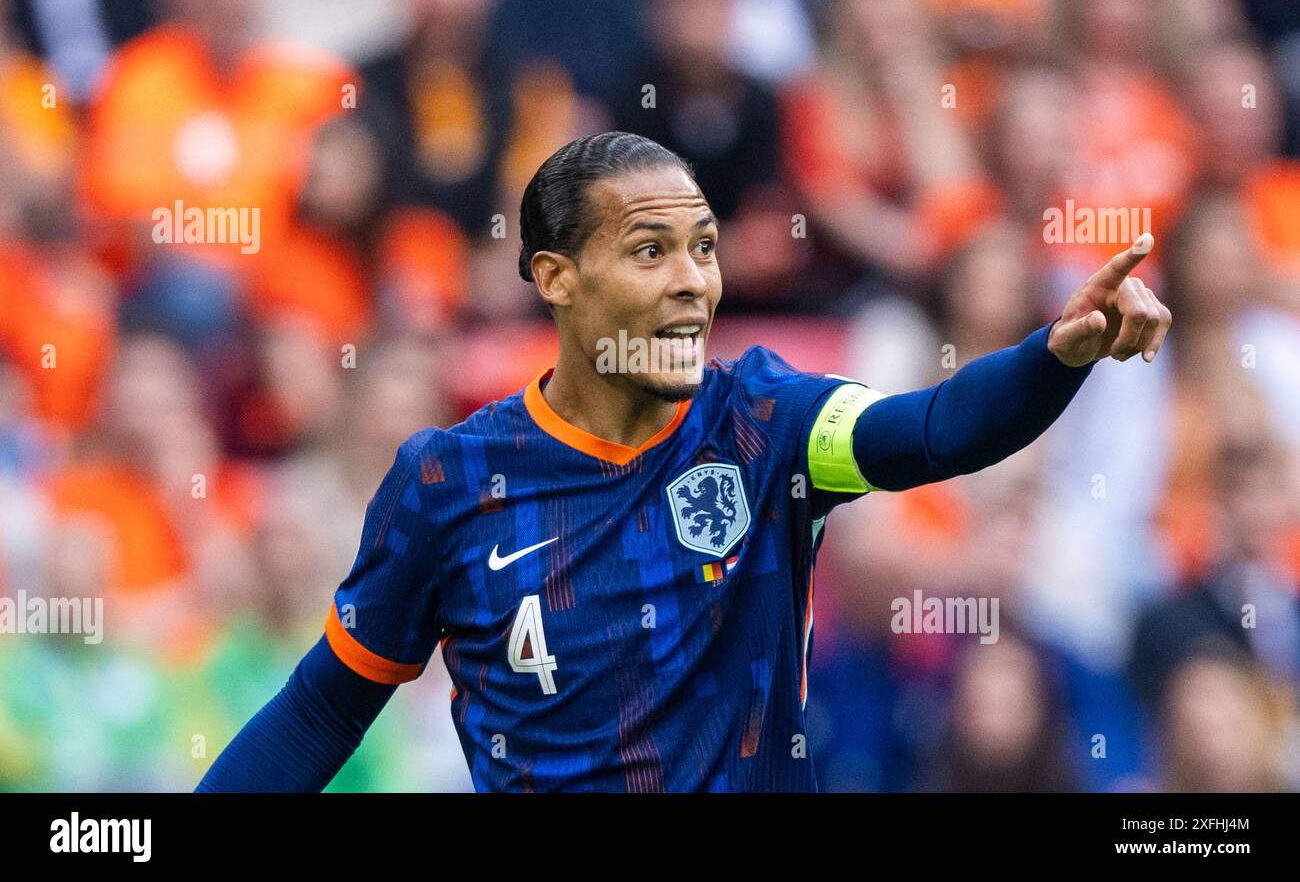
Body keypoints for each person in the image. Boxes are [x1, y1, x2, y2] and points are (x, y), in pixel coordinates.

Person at [197, 131, 1170, 792]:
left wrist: (1057, 354)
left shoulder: (766, 423)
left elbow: (935, 430)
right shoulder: (449, 482)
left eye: (702, 248)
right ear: (557, 277)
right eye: (649, 249)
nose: (690, 282)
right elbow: (324, 707)